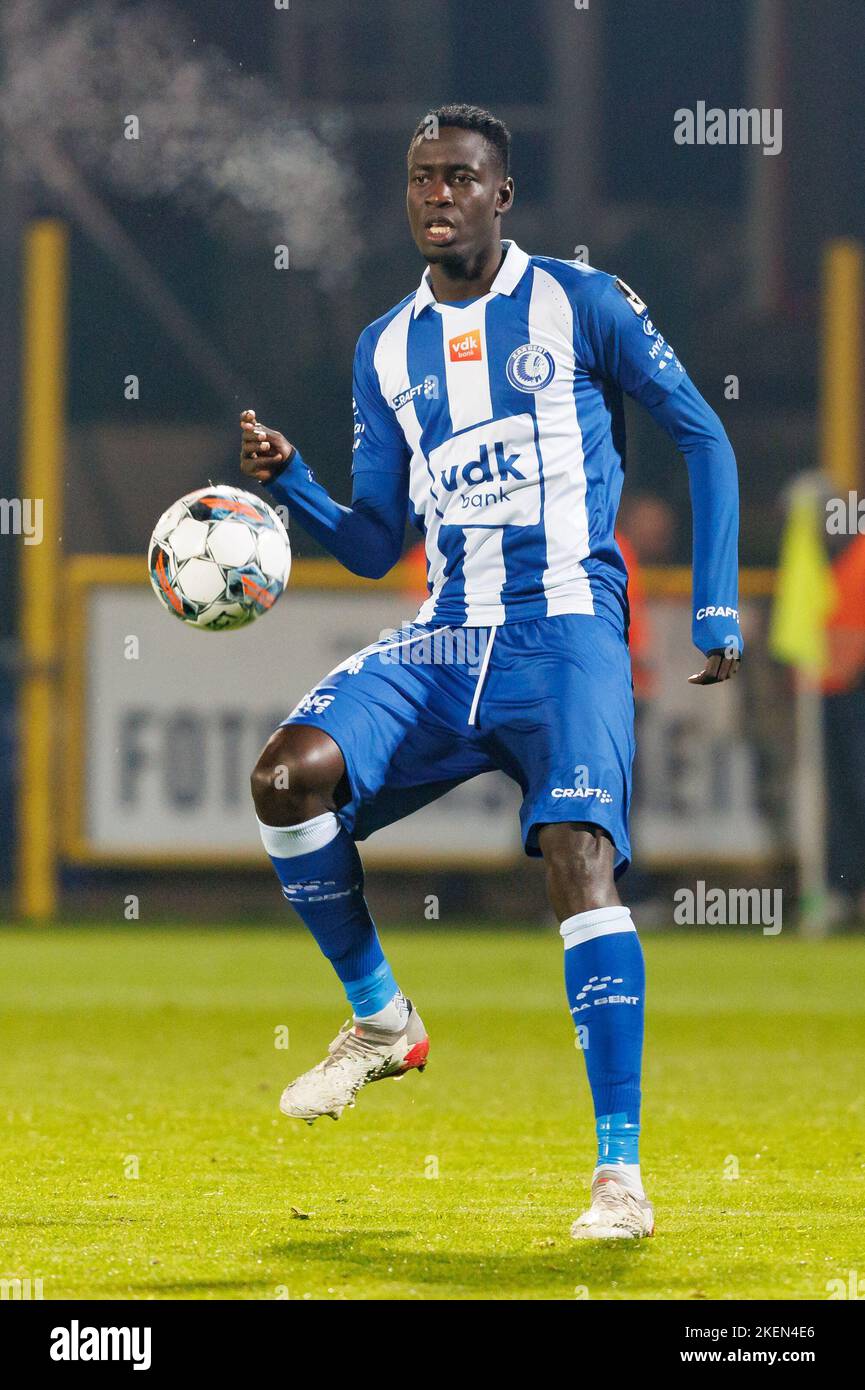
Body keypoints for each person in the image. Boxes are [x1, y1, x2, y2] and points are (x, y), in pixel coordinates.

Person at [239, 104, 741, 1241]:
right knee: (284, 777)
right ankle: (381, 1021)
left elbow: (702, 434)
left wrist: (714, 599)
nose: (437, 195)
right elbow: (375, 542)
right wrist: (296, 482)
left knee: (577, 856)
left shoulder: (581, 302)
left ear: (501, 194)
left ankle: (619, 1174)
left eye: (460, 177)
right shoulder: (385, 347)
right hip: (445, 636)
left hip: (566, 630)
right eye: (420, 179)